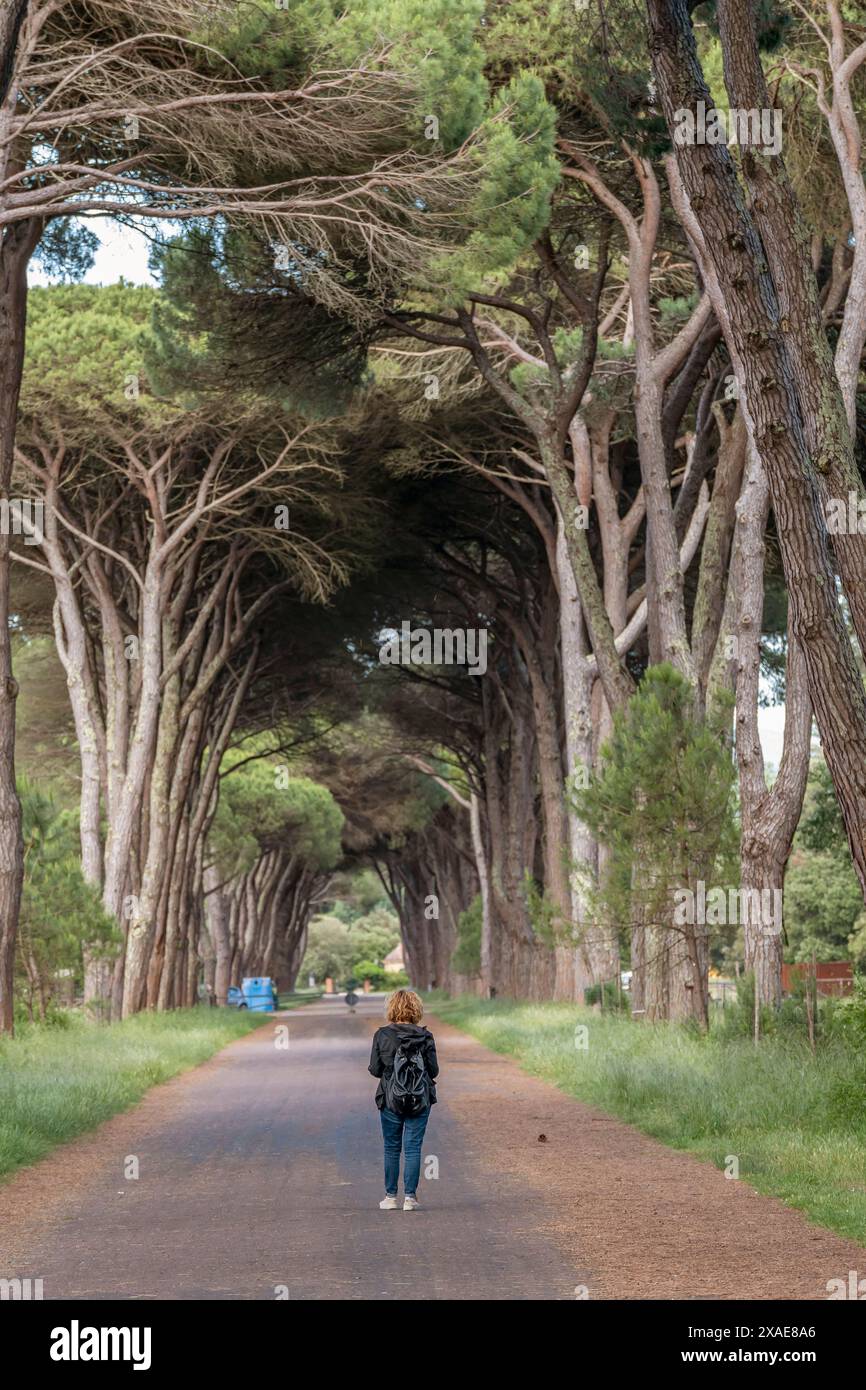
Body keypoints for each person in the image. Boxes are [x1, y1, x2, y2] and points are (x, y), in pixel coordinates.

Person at [368, 988, 438, 1212]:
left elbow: (375, 1069)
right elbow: (434, 1071)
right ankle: (410, 1198)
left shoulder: (382, 1035)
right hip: (420, 1099)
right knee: (413, 1148)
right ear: (416, 1009)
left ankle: (390, 1198)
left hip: (390, 1099)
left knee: (391, 1148)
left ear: (391, 1008)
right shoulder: (426, 1036)